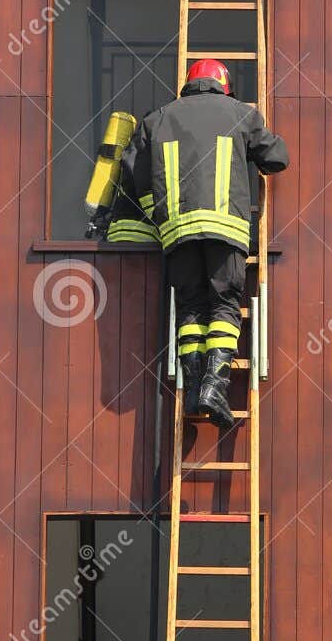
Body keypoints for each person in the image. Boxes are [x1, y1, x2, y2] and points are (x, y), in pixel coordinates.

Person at [123, 59, 289, 426]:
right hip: (225, 229)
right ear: (224, 86)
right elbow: (277, 159)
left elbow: (134, 173)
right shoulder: (240, 114)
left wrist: (159, 215)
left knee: (190, 309)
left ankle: (196, 388)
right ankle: (215, 386)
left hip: (177, 233)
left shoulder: (157, 119)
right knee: (225, 305)